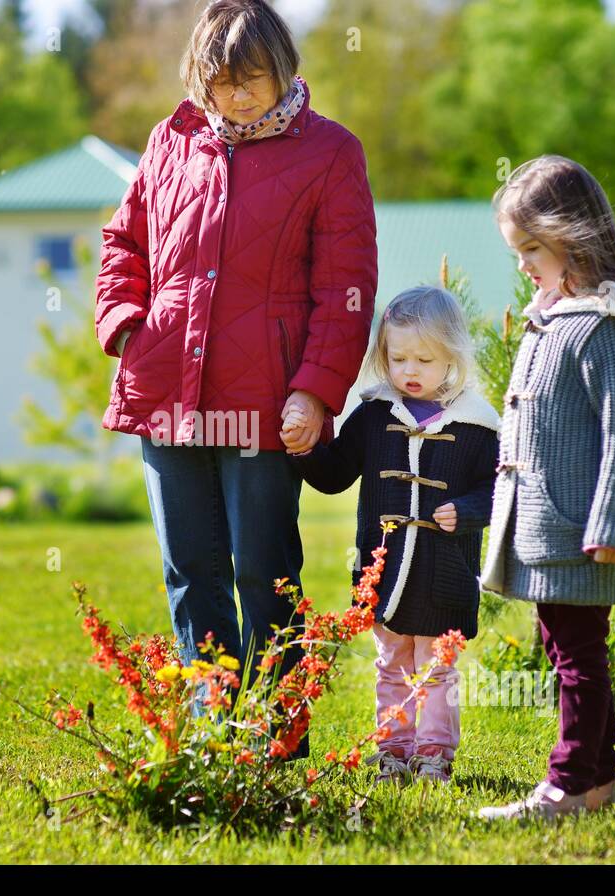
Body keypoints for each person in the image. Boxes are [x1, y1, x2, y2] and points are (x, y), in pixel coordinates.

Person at [93, 1, 378, 756]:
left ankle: (276, 737)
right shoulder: (171, 139)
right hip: (167, 396)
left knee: (263, 571)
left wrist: (315, 390)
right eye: (222, 82)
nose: (239, 96)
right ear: (202, 80)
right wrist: (127, 324)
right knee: (191, 572)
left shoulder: (331, 153)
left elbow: (345, 289)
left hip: (265, 403)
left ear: (283, 69)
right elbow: (125, 239)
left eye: (253, 78)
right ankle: (213, 732)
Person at [476, 155, 615, 820]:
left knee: (578, 659)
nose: (524, 265)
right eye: (518, 252)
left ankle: (566, 784)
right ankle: (596, 781)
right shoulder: (559, 314)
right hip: (547, 526)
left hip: (581, 532)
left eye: (532, 248)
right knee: (570, 651)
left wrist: (612, 526)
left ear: (574, 236)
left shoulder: (607, 325)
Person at [285, 286, 499, 785]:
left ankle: (434, 754)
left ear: (453, 355)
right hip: (384, 567)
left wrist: (466, 510)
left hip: (444, 572)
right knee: (391, 663)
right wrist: (305, 447)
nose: (410, 370)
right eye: (398, 357)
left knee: (435, 666)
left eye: (424, 358)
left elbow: (500, 490)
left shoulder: (476, 426)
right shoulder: (375, 415)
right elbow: (336, 474)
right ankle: (394, 750)